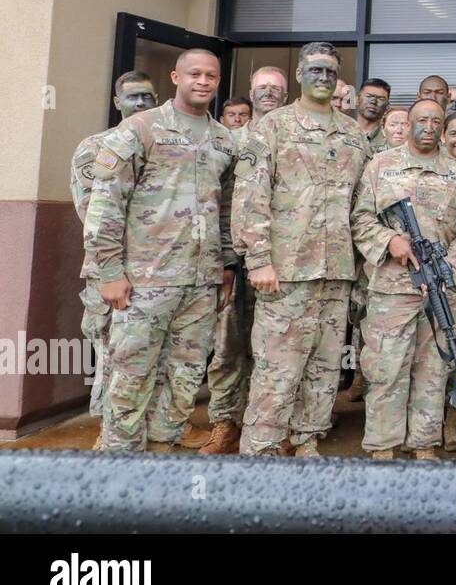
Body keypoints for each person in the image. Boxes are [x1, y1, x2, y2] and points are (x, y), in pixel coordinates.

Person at [83, 50, 237, 452]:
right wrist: (110, 271)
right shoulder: (140, 129)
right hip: (145, 282)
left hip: (200, 285)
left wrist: (226, 266)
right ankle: (118, 474)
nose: (203, 81)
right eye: (195, 74)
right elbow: (105, 204)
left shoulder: (223, 139)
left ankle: (159, 466)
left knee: (183, 382)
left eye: (211, 75)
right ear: (175, 77)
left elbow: (225, 208)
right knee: (130, 380)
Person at [233, 42, 369, 457]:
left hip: (337, 269)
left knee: (325, 366)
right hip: (285, 270)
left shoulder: (354, 133)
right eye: (315, 70)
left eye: (330, 71)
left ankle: (307, 440)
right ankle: (262, 449)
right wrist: (257, 259)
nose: (323, 78)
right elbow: (250, 195)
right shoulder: (271, 128)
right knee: (277, 366)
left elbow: (364, 201)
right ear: (300, 75)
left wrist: (362, 259)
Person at [350, 98, 456, 460]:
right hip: (393, 287)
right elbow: (360, 219)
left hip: (442, 288)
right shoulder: (380, 166)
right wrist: (391, 241)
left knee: (434, 369)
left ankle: (424, 444)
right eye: (421, 120)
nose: (429, 127)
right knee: (387, 370)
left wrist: (449, 269)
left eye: (436, 121)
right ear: (407, 122)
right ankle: (383, 446)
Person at [200, 64, 291, 455]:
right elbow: (212, 201)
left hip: (285, 263)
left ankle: (271, 427)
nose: (269, 93)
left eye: (276, 88)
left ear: (285, 95)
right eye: (262, 87)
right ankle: (225, 422)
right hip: (235, 262)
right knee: (228, 348)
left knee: (277, 352)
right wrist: (223, 259)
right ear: (250, 93)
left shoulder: (295, 136)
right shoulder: (228, 141)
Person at [70, 70, 157, 449]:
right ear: (117, 102)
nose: (141, 104)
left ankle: (144, 434)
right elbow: (94, 211)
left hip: (158, 273)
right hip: (113, 271)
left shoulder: (165, 144)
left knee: (150, 355)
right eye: (134, 97)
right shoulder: (96, 148)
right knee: (113, 356)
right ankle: (108, 438)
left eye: (148, 97)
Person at [356, 79, 391, 152]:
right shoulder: (340, 133)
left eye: (380, 99)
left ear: (387, 106)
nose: (373, 102)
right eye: (368, 96)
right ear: (357, 99)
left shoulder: (390, 139)